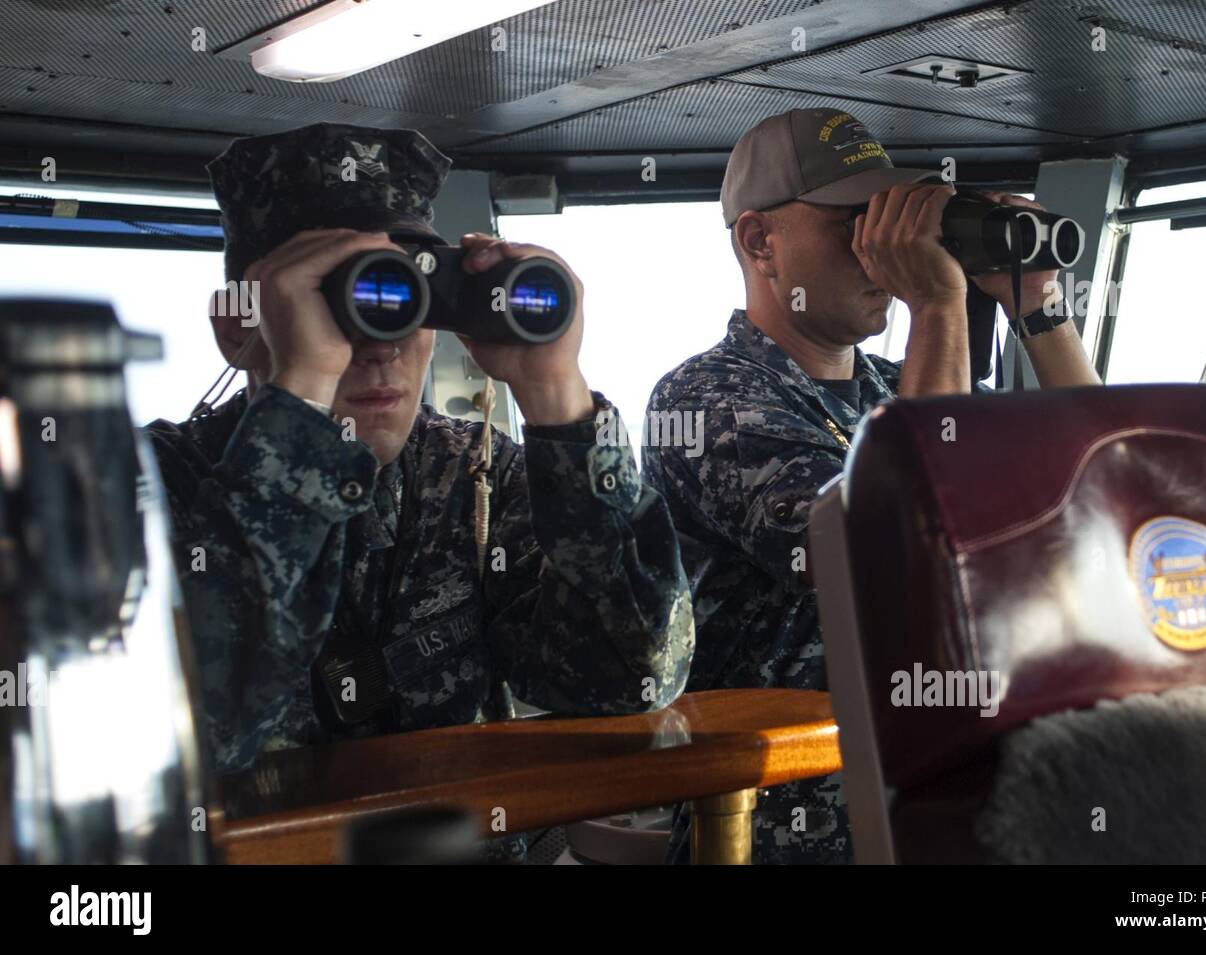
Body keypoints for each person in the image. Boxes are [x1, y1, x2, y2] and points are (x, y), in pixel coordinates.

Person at [148, 123, 694, 789]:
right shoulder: (154, 486)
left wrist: (557, 395)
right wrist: (300, 402)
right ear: (239, 325)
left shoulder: (477, 475)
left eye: (400, 295)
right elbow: (183, 733)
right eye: (338, 299)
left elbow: (635, 672)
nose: (382, 343)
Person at [643, 107, 1100, 864]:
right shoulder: (702, 399)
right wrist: (939, 304)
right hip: (779, 831)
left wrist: (1039, 308)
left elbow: (1094, 488)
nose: (885, 252)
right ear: (761, 242)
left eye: (900, 224)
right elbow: (898, 554)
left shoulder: (903, 384)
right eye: (858, 223)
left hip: (931, 805)